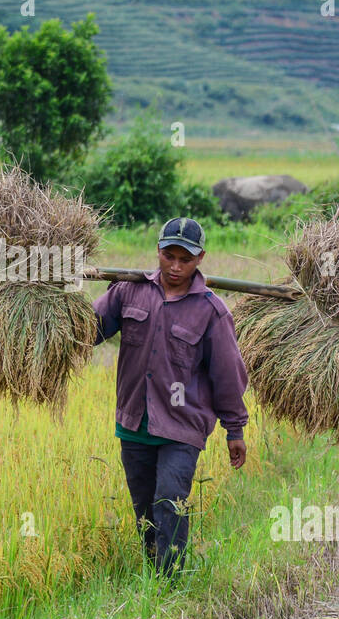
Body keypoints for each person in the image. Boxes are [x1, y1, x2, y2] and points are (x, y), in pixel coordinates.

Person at [93, 217, 250, 577]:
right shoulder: (128, 291)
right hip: (134, 421)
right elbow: (89, 329)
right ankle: (154, 576)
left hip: (182, 426)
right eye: (169, 256)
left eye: (185, 259)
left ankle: (171, 583)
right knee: (144, 509)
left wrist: (235, 430)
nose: (175, 266)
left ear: (200, 259)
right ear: (158, 251)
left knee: (169, 502)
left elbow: (227, 375)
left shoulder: (212, 311)